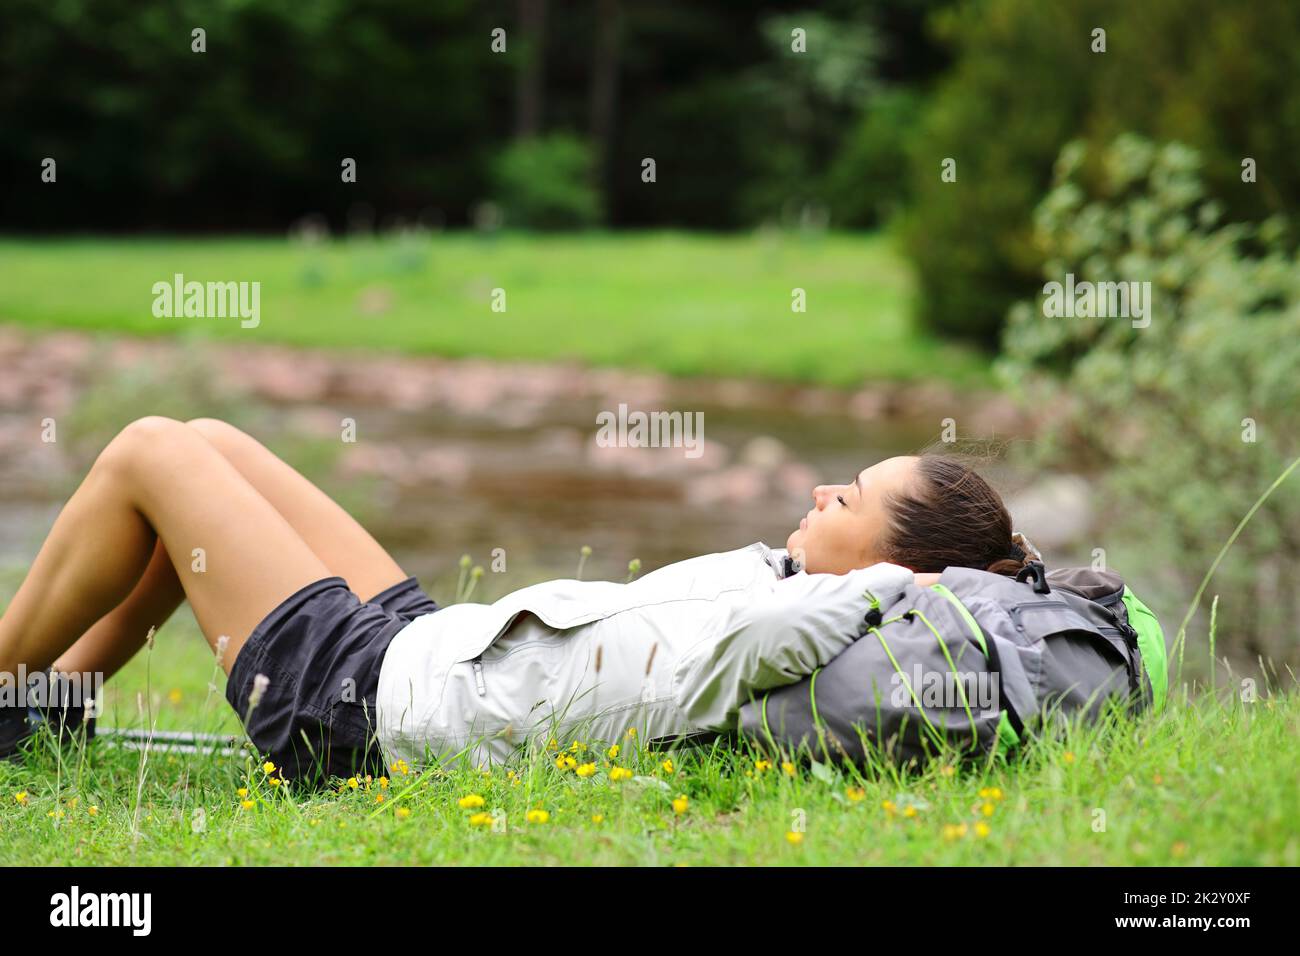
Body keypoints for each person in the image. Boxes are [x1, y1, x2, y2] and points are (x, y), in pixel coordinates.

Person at [0, 417, 1034, 782]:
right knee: (213, 443)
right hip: (423, 645)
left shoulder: (803, 627)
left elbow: (761, 642)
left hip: (358, 703)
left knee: (150, 449)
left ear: (891, 571)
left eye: (847, 496)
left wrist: (908, 581)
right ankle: (46, 704)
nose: (819, 490)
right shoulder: (797, 584)